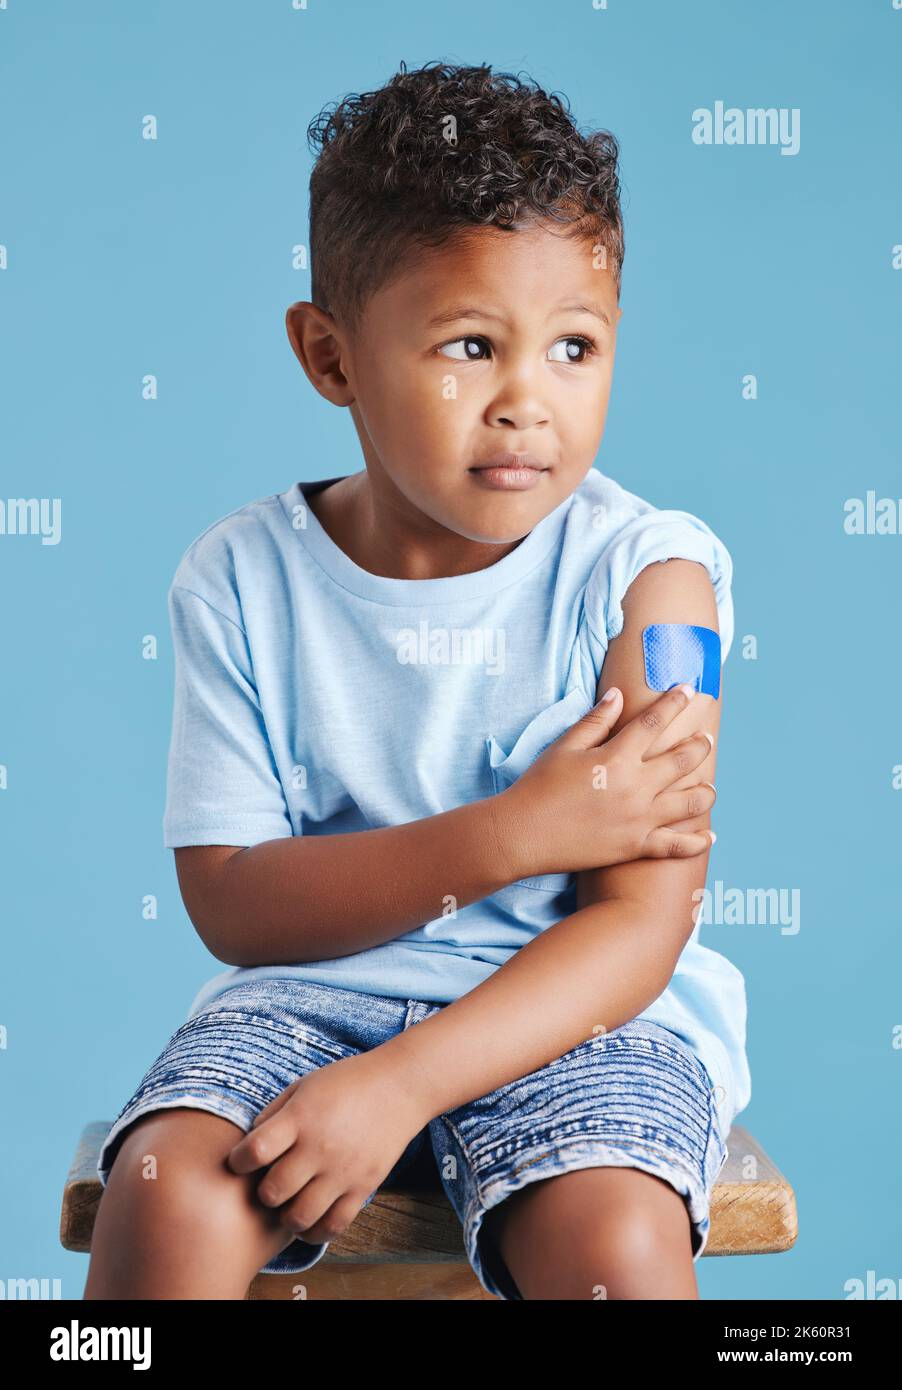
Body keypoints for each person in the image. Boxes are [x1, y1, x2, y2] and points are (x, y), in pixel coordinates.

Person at [85, 59, 750, 1301]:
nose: (525, 403)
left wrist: (399, 1085)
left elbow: (638, 922)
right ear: (329, 357)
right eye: (467, 345)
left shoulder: (653, 585)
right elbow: (234, 903)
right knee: (164, 1201)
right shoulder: (237, 578)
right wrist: (513, 832)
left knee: (614, 1243)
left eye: (571, 347)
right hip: (309, 1001)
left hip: (573, 1015)